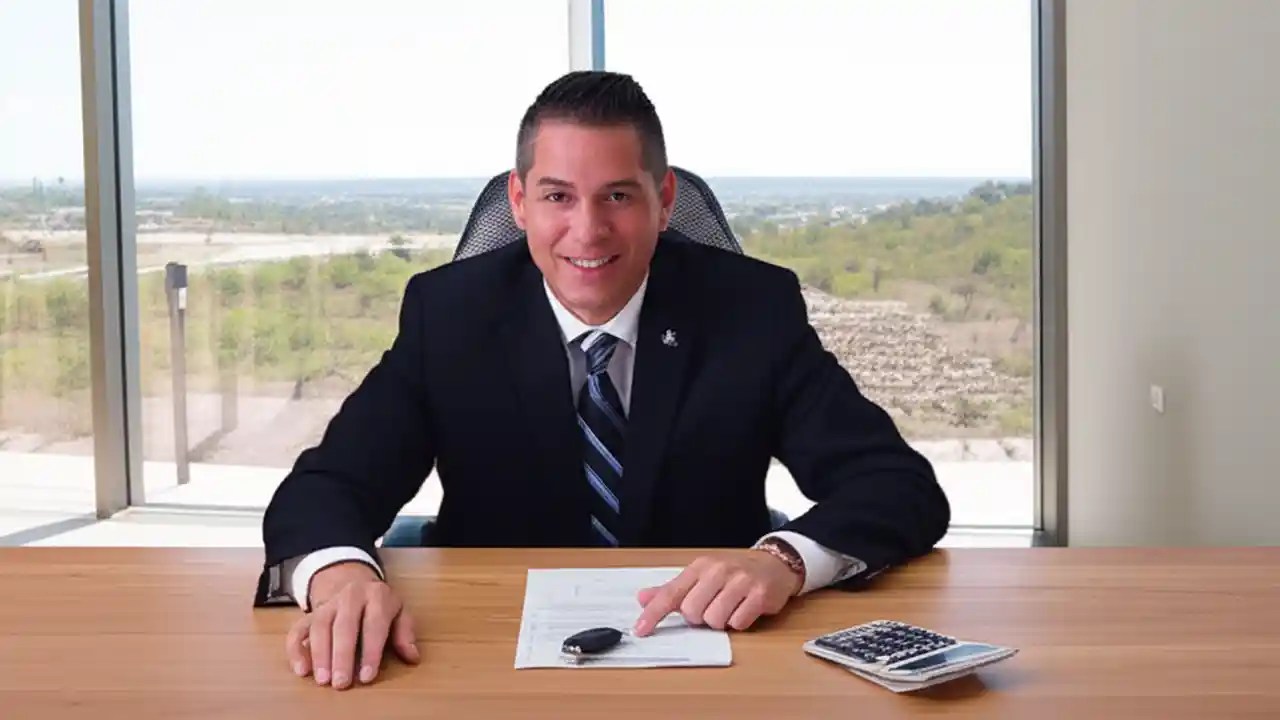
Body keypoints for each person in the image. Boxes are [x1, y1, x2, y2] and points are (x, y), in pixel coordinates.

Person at [253, 70, 950, 690]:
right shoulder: (450, 314)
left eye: (617, 195)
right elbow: (328, 486)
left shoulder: (750, 309)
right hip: (487, 659)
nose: (587, 231)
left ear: (665, 198)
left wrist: (785, 561)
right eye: (558, 196)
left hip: (714, 656)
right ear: (519, 202)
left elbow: (897, 486)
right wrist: (341, 574)